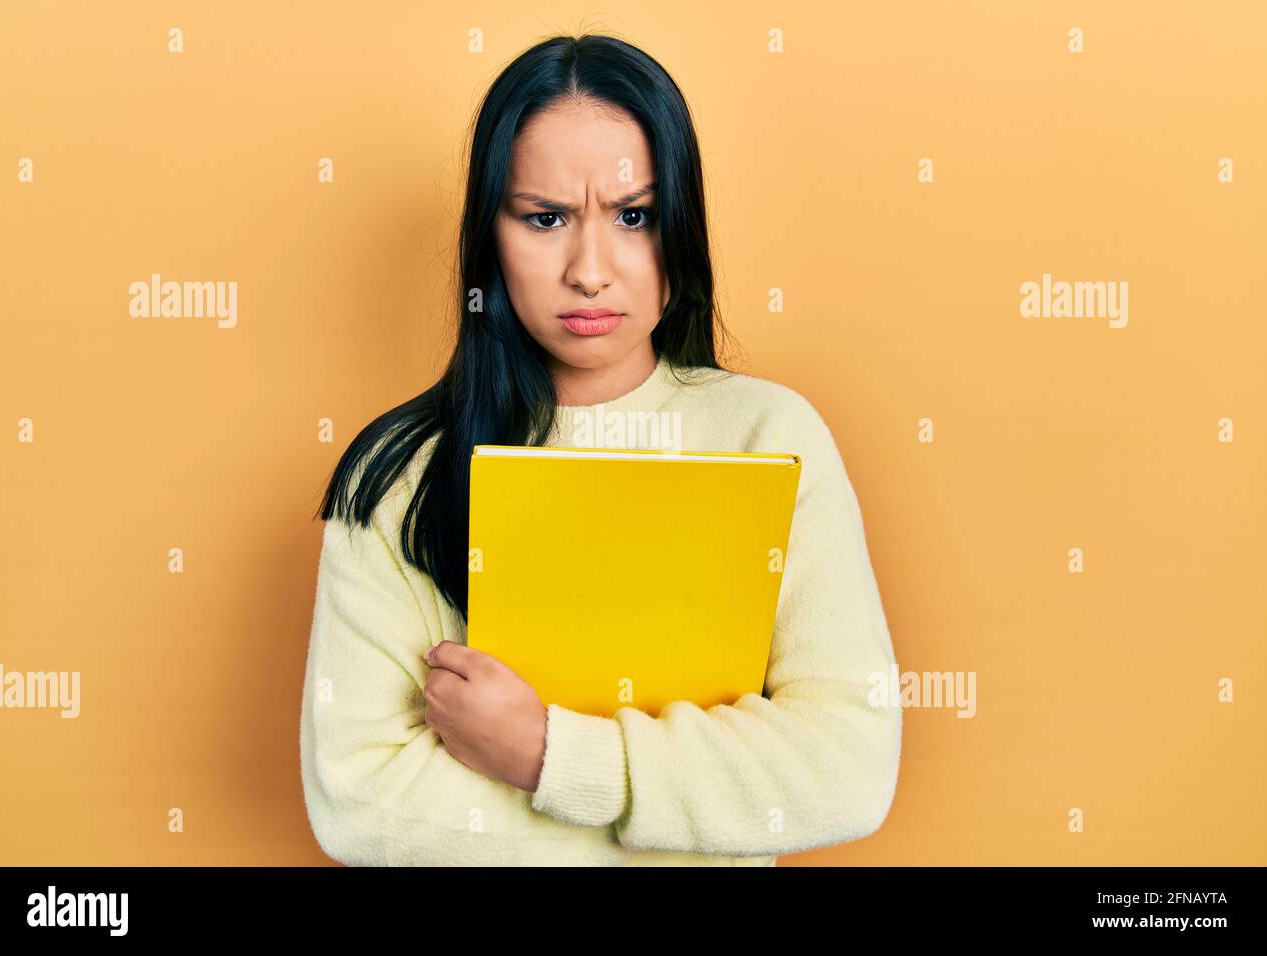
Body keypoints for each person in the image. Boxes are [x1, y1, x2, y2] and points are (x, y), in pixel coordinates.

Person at [299, 32, 902, 866]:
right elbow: (359, 804)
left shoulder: (771, 438)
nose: (590, 270)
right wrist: (688, 808)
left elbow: (846, 769)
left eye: (633, 216)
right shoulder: (397, 475)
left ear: (679, 228)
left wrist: (547, 755)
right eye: (544, 218)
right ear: (491, 234)